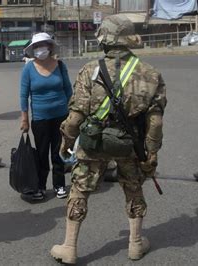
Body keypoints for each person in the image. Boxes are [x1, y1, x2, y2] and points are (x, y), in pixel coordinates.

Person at [50, 14, 167, 264]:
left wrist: (67, 141)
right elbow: (155, 121)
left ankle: (69, 247)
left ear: (104, 40)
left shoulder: (90, 70)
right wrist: (152, 153)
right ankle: (135, 244)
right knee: (133, 189)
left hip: (94, 143)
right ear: (127, 40)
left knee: (80, 189)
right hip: (129, 144)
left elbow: (76, 116)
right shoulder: (150, 74)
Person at [19, 32, 73, 200]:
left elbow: (68, 90)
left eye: (42, 45)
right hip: (40, 118)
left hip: (61, 116)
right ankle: (41, 186)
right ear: (33, 49)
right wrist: (24, 119)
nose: (39, 49)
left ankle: (59, 185)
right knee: (42, 154)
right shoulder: (28, 68)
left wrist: (73, 114)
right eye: (36, 46)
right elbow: (23, 95)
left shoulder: (60, 65)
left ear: (49, 47)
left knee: (58, 153)